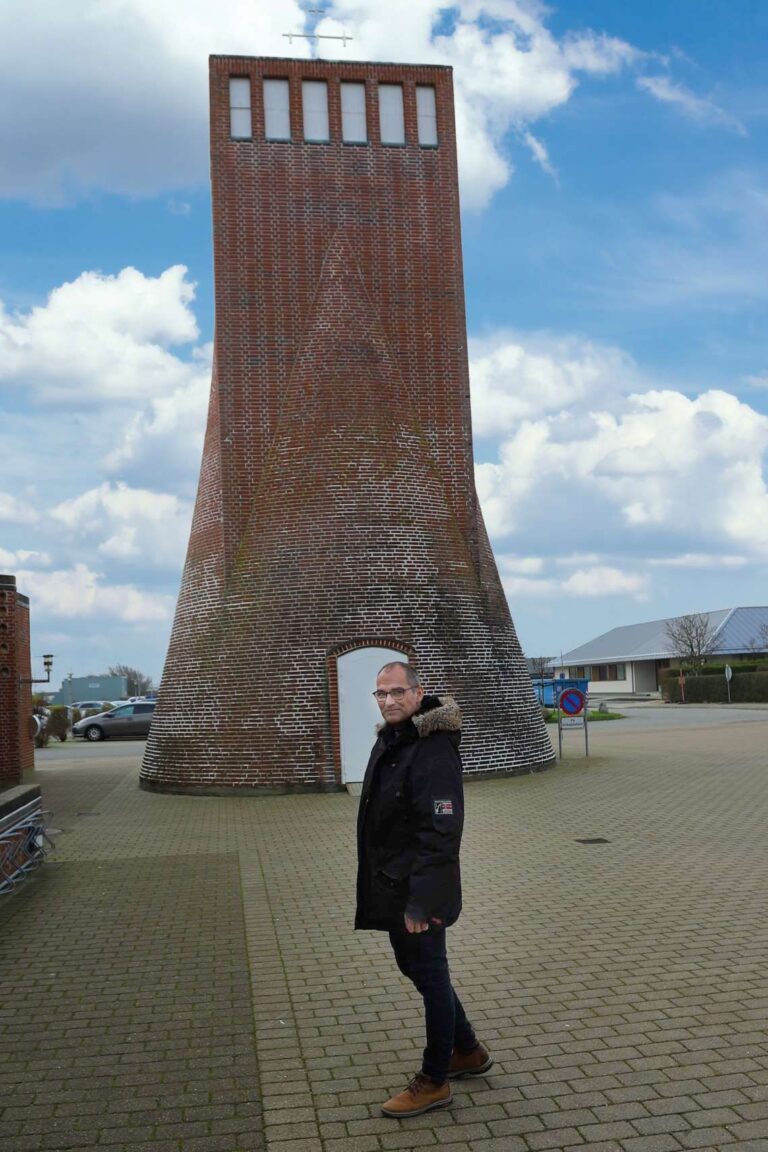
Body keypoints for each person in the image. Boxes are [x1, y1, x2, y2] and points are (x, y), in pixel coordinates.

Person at [355, 660, 492, 1118]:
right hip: (393, 883)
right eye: (381, 693)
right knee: (414, 968)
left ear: (418, 693)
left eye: (397, 692)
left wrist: (422, 901)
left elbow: (442, 829)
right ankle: (468, 1050)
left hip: (419, 890)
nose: (389, 700)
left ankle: (434, 1080)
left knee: (431, 975)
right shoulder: (391, 740)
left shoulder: (432, 749)